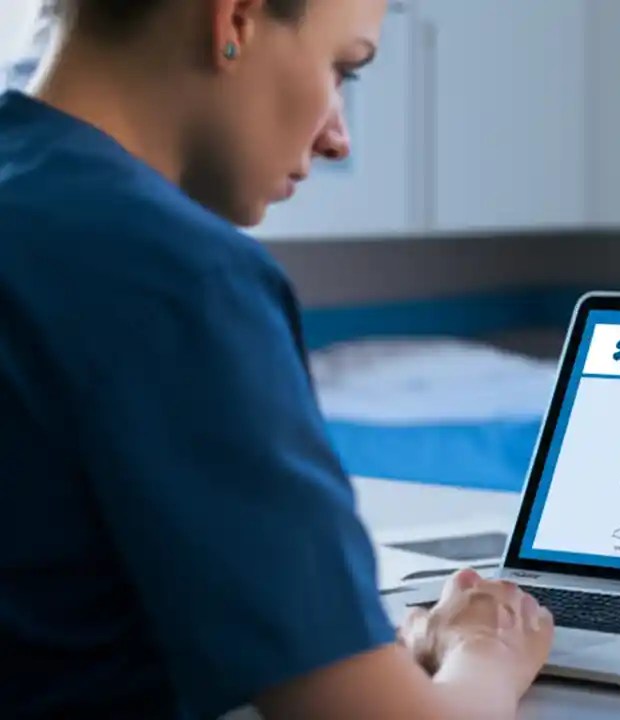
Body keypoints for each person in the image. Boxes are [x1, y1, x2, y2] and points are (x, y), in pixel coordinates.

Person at [0, 0, 554, 717]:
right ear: (235, 20)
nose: (339, 140)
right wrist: (488, 652)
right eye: (342, 68)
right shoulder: (180, 277)